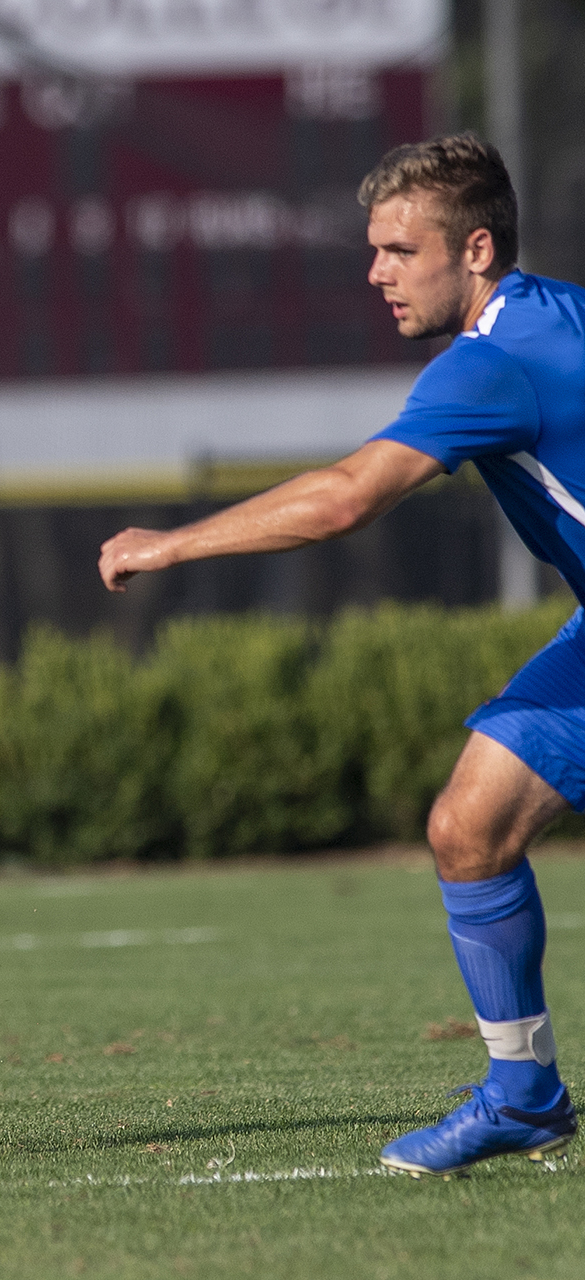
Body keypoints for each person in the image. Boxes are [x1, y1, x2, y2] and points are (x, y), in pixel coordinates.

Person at [99, 132, 581, 1178]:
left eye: (402, 251)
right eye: (375, 249)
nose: (376, 272)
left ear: (478, 249)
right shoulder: (551, 311)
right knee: (468, 825)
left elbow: (347, 496)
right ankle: (524, 1092)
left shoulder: (493, 362)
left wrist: (171, 542)